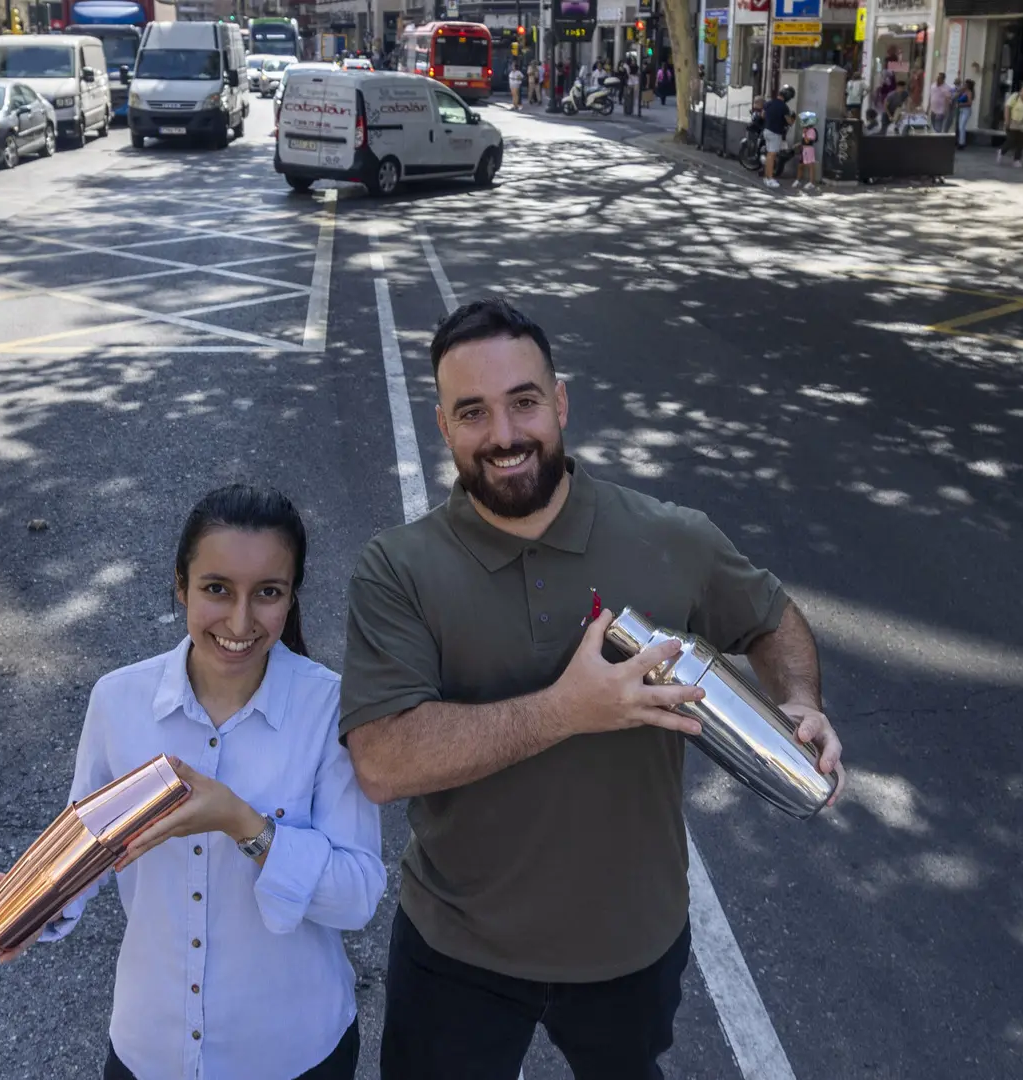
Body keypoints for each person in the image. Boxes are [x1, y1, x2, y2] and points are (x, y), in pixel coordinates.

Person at [341, 298, 845, 1080]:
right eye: (472, 412)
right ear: (443, 427)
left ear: (561, 402)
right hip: (456, 949)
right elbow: (381, 761)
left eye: (524, 402)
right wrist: (565, 711)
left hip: (632, 949)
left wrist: (801, 700)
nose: (504, 436)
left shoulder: (667, 535)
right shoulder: (398, 569)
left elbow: (772, 617)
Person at [0, 485, 385, 1080]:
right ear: (180, 586)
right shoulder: (119, 700)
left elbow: (358, 896)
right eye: (217, 589)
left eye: (268, 593)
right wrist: (42, 902)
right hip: (150, 1048)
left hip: (293, 1051)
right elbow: (91, 845)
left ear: (291, 599)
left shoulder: (329, 709)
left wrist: (245, 824)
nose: (240, 622)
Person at [760, 85, 792, 190]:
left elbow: (762, 115)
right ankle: (769, 178)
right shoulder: (784, 107)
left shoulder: (769, 103)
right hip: (775, 133)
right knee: (771, 155)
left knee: (769, 154)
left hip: (767, 130)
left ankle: (766, 177)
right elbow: (789, 121)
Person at [1003, 84, 1023, 165]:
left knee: (1021, 141)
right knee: (1012, 140)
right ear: (1022, 89)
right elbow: (1007, 108)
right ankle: (1002, 151)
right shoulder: (1015, 97)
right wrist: (1007, 121)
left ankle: (1017, 160)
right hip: (1014, 121)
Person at [794, 111, 819, 192]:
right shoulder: (806, 130)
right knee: (800, 165)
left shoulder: (812, 131)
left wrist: (805, 133)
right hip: (803, 149)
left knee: (810, 166)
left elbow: (808, 141)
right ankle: (798, 180)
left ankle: (811, 182)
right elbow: (803, 141)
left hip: (809, 149)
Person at [954, 78, 976, 149]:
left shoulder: (969, 92)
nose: (964, 85)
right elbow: (956, 93)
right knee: (960, 126)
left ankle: (962, 143)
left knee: (962, 126)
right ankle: (960, 141)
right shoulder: (963, 91)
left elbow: (969, 103)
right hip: (961, 110)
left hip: (966, 110)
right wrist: (960, 89)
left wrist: (960, 105)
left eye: (965, 84)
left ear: (968, 85)